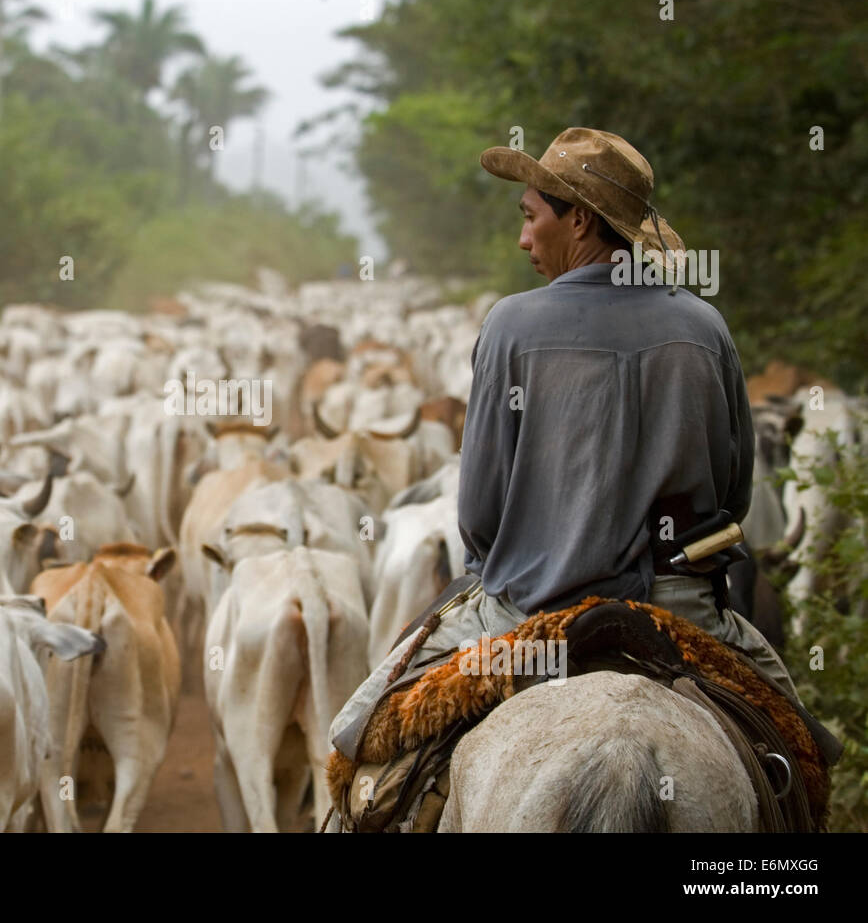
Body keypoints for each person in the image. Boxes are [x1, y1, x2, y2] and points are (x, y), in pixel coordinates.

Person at [330, 127, 802, 758]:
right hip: (684, 614)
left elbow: (478, 516)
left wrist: (536, 558)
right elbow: (734, 494)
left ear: (578, 220)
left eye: (530, 217)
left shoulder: (510, 326)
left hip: (529, 617)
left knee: (356, 743)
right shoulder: (703, 326)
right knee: (802, 753)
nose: (524, 238)